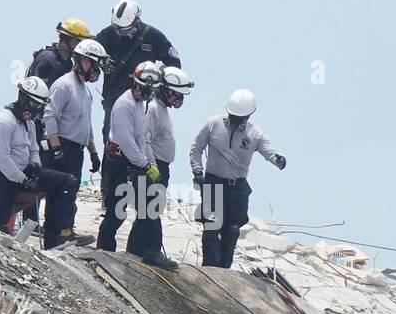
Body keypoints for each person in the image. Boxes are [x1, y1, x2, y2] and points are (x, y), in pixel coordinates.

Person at [188, 89, 286, 269]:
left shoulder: (255, 134)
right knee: (211, 226)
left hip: (237, 188)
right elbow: (196, 148)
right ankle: (210, 268)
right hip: (213, 182)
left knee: (232, 230)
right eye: (232, 116)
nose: (234, 121)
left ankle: (224, 268)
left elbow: (269, 151)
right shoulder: (213, 124)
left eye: (239, 118)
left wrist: (278, 160)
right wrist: (198, 171)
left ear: (248, 116)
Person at [98, 62, 177, 269]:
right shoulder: (124, 105)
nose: (147, 92)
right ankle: (104, 250)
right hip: (119, 162)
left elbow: (142, 140)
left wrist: (152, 165)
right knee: (116, 210)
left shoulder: (141, 104)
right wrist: (144, 165)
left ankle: (146, 249)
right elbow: (126, 141)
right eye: (144, 88)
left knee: (149, 203)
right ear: (136, 83)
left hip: (134, 161)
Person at [0, 78, 76, 231]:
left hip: (24, 172)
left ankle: (59, 232)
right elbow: (1, 159)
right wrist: (23, 179)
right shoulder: (3, 122)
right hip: (1, 176)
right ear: (23, 98)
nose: (35, 109)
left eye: (39, 106)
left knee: (66, 181)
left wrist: (35, 166)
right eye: (34, 104)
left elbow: (34, 149)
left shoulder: (29, 123)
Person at [23, 18, 91, 225]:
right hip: (40, 126)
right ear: (68, 40)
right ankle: (30, 221)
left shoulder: (66, 62)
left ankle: (53, 222)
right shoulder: (48, 61)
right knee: (39, 172)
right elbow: (38, 96)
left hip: (52, 128)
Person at [42, 38, 106, 249]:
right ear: (80, 61)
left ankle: (65, 232)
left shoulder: (86, 92)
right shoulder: (63, 85)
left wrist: (94, 152)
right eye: (92, 63)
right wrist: (56, 147)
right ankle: (57, 236)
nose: (95, 70)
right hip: (62, 147)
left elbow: (86, 125)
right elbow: (49, 116)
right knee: (61, 192)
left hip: (77, 149)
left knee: (71, 191)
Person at [95, 0, 180, 145]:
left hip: (143, 101)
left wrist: (156, 77)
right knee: (111, 139)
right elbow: (89, 53)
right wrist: (102, 62)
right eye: (118, 29)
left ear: (136, 21)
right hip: (114, 99)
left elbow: (174, 63)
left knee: (141, 140)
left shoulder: (153, 36)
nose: (121, 33)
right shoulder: (108, 34)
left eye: (125, 30)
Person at [142, 65, 192, 263]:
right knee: (152, 209)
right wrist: (153, 168)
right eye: (176, 94)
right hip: (155, 166)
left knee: (151, 210)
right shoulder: (153, 109)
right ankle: (153, 251)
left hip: (162, 166)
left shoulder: (161, 109)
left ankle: (137, 250)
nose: (178, 99)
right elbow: (145, 140)